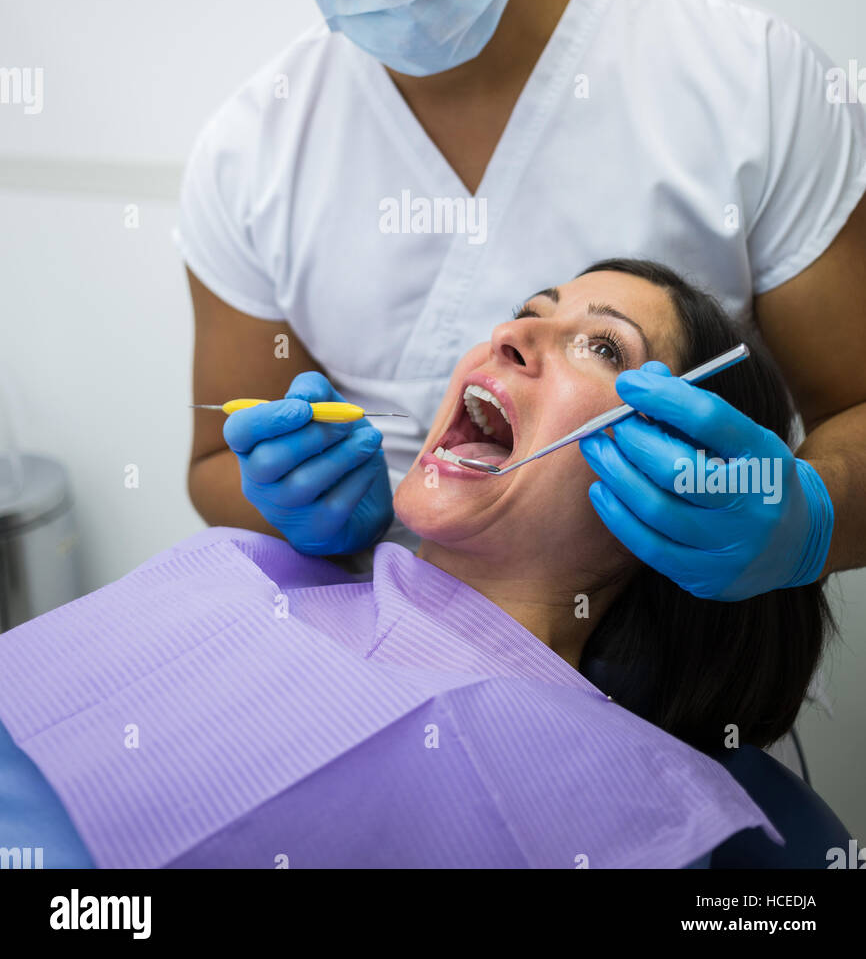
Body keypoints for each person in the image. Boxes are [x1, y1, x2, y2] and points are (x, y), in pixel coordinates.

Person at [178, 0, 866, 610]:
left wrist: (802, 512)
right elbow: (213, 459)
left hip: (669, 708)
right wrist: (288, 493)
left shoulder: (745, 80)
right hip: (395, 684)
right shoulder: (250, 154)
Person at [0, 262, 849, 868]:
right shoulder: (238, 561)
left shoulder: (624, 811)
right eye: (530, 310)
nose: (512, 335)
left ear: (675, 487)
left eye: (602, 348)